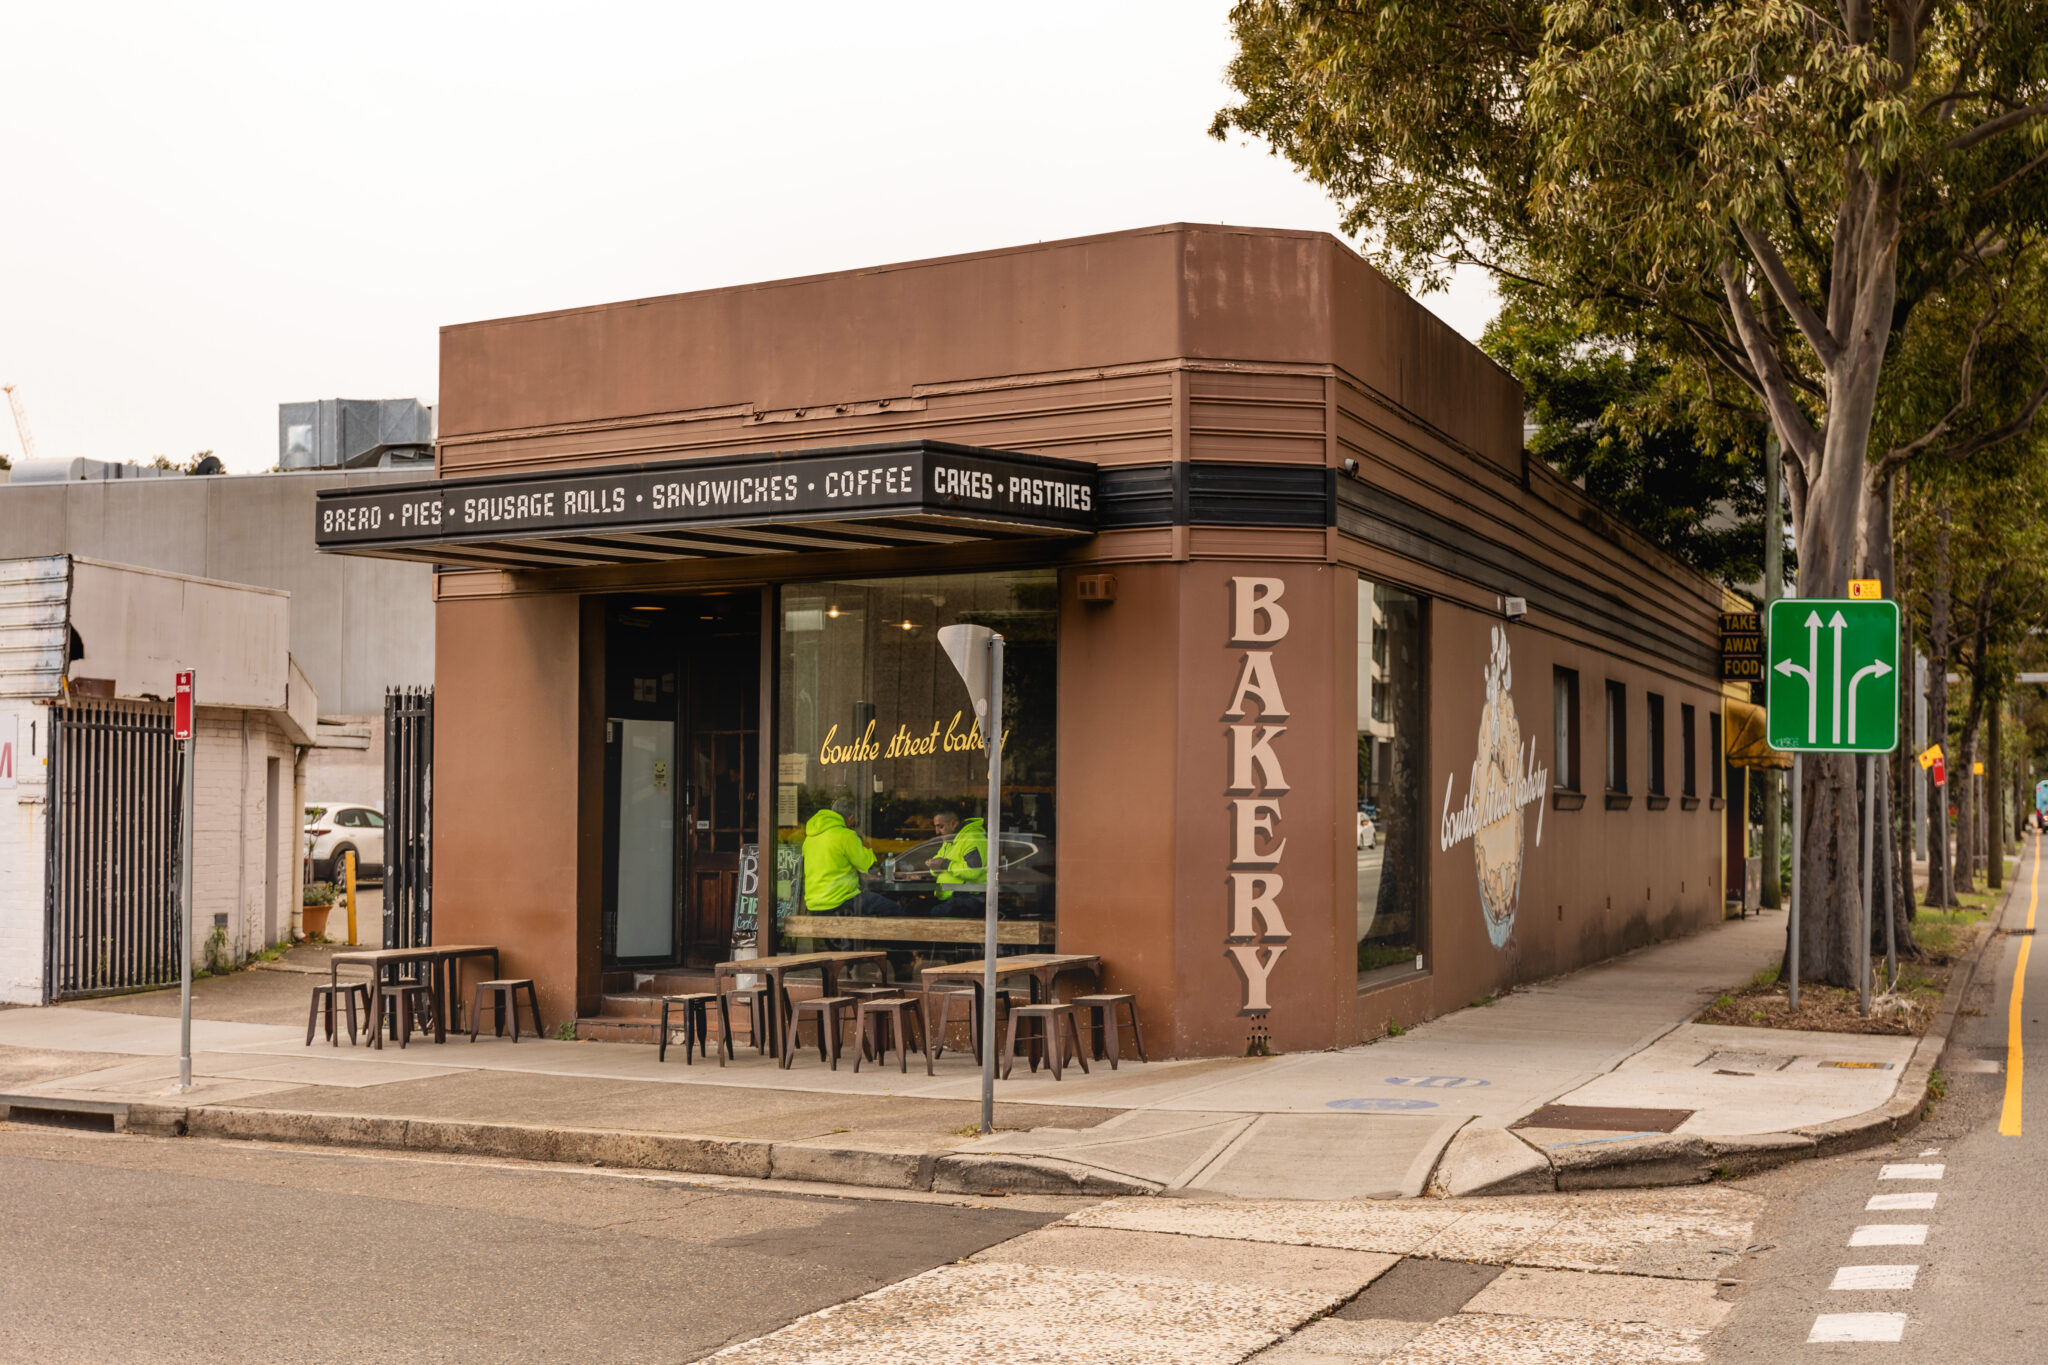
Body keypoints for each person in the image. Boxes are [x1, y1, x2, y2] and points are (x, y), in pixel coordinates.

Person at [801, 798, 899, 918]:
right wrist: (864, 843)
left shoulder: (810, 838)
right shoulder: (846, 835)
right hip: (839, 901)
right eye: (855, 820)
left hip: (813, 904)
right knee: (893, 909)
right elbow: (867, 864)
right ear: (851, 817)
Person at [926, 808, 987, 914]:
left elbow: (972, 871)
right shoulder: (950, 840)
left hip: (970, 896)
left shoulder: (972, 838)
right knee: (913, 908)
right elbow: (936, 864)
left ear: (953, 824)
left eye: (940, 826)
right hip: (948, 896)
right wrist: (934, 867)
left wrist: (944, 864)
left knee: (936, 912)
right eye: (935, 827)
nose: (937, 832)